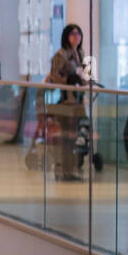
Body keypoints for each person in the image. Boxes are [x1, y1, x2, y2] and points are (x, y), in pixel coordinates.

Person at [47, 23, 88, 181]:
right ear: (66, 36)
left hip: (77, 99)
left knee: (74, 136)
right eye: (72, 34)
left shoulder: (80, 53)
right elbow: (54, 77)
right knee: (65, 136)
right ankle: (62, 170)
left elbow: (82, 74)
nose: (76, 37)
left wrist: (83, 82)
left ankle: (70, 170)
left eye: (78, 33)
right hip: (65, 100)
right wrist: (69, 81)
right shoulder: (61, 54)